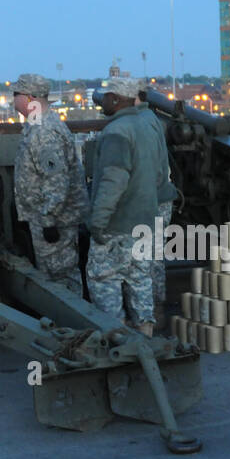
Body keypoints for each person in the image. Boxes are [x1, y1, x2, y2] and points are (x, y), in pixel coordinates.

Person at [87, 76, 159, 335]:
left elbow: (113, 181)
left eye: (106, 95)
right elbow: (160, 175)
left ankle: (117, 342)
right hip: (144, 223)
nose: (102, 99)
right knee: (140, 280)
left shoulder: (116, 131)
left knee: (104, 281)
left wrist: (98, 223)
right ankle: (146, 337)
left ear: (115, 100)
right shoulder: (146, 126)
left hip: (117, 225)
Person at [12, 73, 87, 295]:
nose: (12, 100)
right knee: (52, 277)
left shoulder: (44, 132)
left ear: (29, 98)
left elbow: (56, 181)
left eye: (16, 94)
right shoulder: (36, 125)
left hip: (54, 221)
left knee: (60, 278)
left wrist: (48, 220)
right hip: (44, 218)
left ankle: (72, 327)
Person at [138, 84, 176, 323]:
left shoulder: (141, 125)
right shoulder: (153, 122)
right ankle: (156, 310)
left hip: (151, 201)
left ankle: (149, 315)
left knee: (145, 259)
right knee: (154, 257)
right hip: (160, 198)